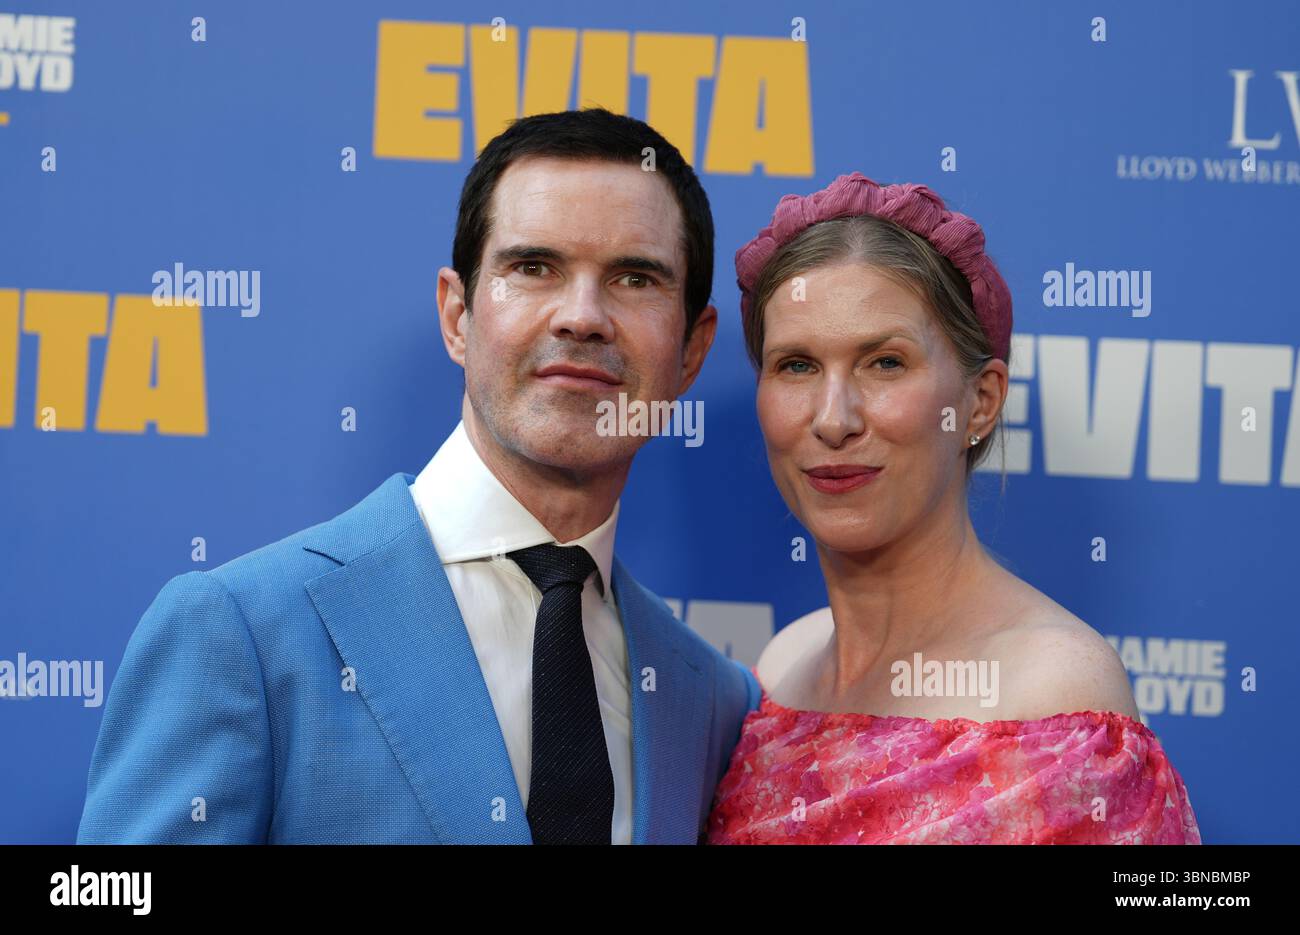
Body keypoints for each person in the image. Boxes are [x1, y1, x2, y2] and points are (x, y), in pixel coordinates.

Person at [77, 108, 759, 845]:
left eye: (634, 277)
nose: (581, 316)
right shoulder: (240, 630)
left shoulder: (711, 698)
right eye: (534, 268)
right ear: (458, 314)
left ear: (692, 349)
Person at [707, 173, 1201, 844]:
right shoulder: (781, 669)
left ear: (981, 401)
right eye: (796, 365)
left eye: (884, 362)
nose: (833, 418)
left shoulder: (1057, 695)